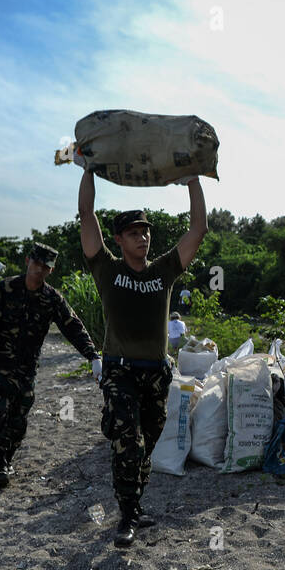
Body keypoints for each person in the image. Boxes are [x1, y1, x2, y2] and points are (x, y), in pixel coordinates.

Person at [78, 169, 207, 547]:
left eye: (146, 231)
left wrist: (193, 182)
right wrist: (88, 172)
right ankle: (127, 515)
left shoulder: (163, 271)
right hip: (120, 372)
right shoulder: (107, 269)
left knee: (145, 445)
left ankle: (134, 503)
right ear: (118, 239)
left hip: (156, 374)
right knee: (129, 442)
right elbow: (87, 215)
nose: (143, 237)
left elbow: (197, 229)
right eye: (134, 232)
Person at [0, 243, 100, 489]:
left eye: (45, 267)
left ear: (50, 271)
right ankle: (0, 464)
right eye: (36, 263)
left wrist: (93, 356)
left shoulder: (52, 299)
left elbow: (72, 327)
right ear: (27, 261)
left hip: (27, 368)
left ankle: (7, 458)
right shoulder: (4, 289)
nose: (39, 270)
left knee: (19, 417)